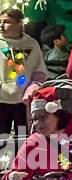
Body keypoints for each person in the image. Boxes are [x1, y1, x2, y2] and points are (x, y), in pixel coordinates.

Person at [0, 9, 47, 142]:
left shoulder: (31, 44)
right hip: (2, 99)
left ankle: (21, 162)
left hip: (23, 99)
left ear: (19, 24)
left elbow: (39, 71)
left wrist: (33, 87)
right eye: (0, 22)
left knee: (22, 138)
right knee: (2, 137)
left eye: (7, 22)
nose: (2, 25)